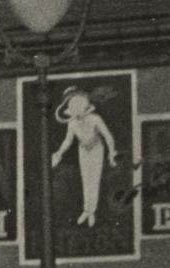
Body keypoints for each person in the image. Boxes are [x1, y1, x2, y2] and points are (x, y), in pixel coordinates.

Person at [51, 85, 119, 228]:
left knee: (94, 179)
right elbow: (68, 140)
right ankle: (86, 211)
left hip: (97, 149)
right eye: (73, 108)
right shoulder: (72, 123)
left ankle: (92, 211)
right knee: (85, 179)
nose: (77, 112)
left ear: (85, 106)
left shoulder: (95, 119)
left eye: (79, 107)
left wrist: (111, 153)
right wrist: (59, 153)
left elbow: (108, 136)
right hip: (83, 150)